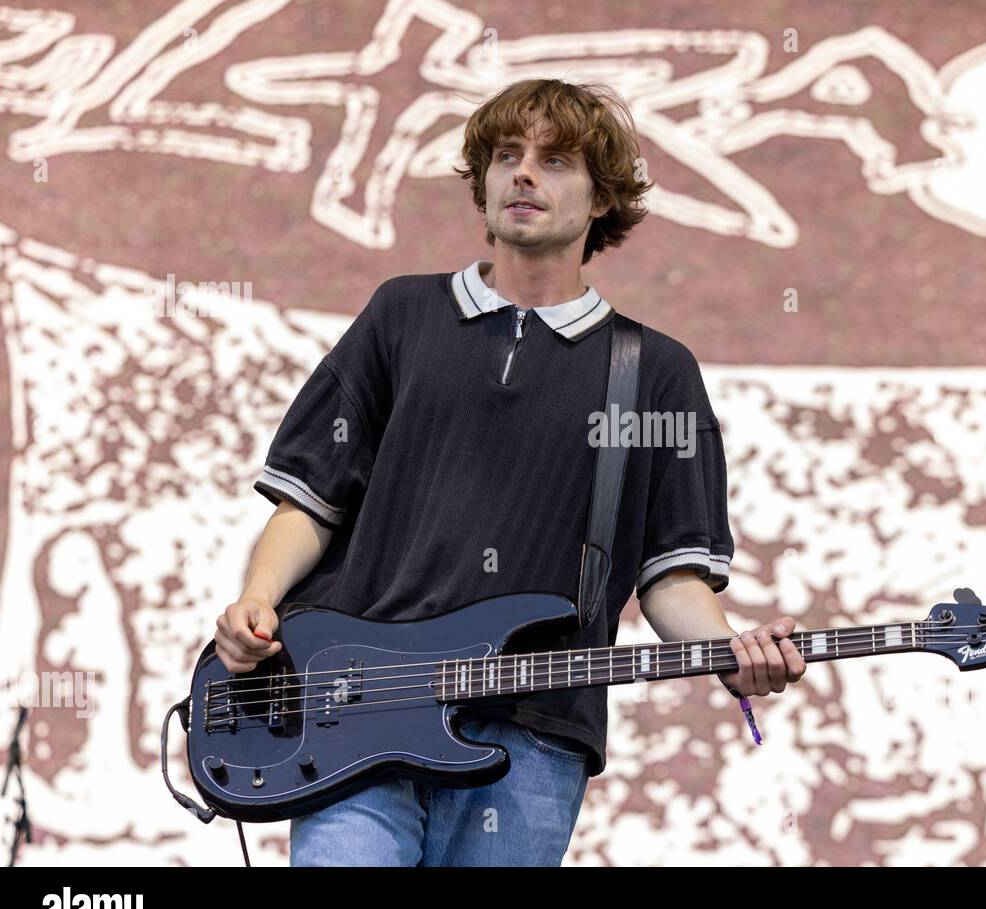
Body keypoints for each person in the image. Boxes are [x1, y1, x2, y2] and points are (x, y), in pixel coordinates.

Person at [211, 78, 806, 867]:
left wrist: (731, 650)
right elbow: (310, 502)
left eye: (556, 160)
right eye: (506, 156)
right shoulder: (402, 315)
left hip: (533, 733)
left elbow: (670, 580)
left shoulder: (655, 373)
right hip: (354, 709)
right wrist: (256, 599)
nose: (523, 174)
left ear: (602, 200)